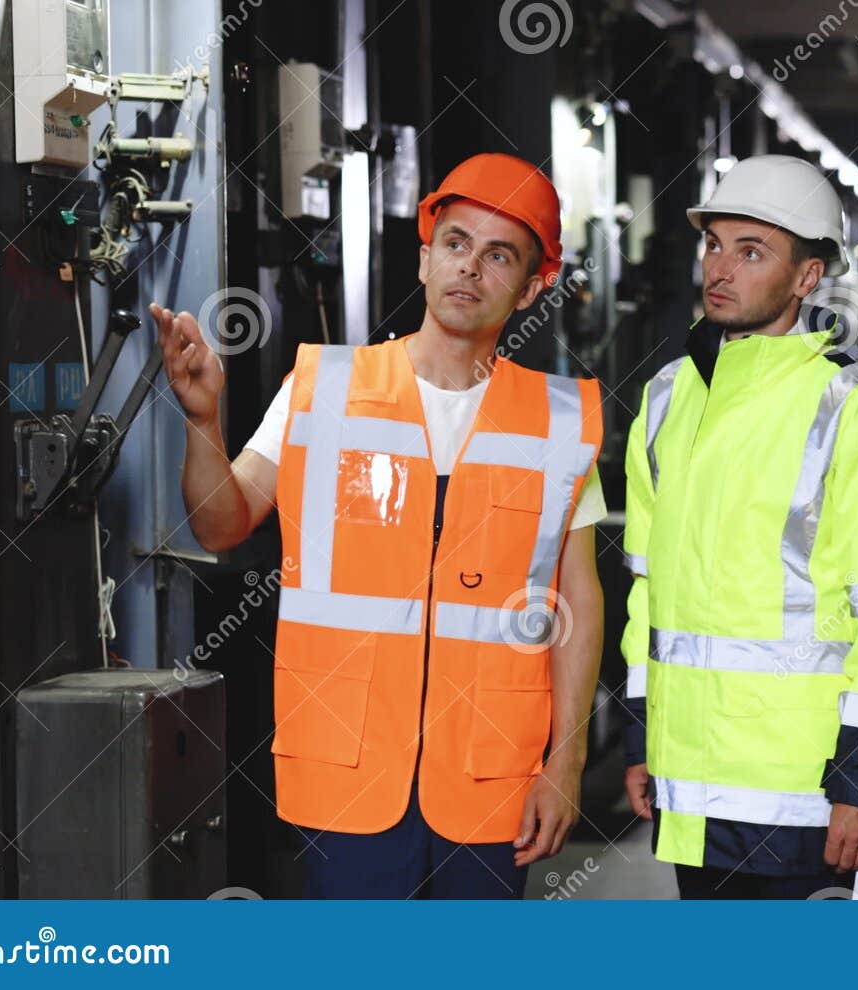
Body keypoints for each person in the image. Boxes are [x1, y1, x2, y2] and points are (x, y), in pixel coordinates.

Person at [154, 153, 605, 899]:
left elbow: (578, 601)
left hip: (489, 772)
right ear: (425, 259)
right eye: (457, 244)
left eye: (500, 256)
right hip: (349, 765)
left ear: (531, 288)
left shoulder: (559, 422)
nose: (470, 269)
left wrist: (566, 762)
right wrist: (204, 421)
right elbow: (220, 525)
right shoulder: (325, 389)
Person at [621, 155, 858, 899]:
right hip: (694, 790)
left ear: (807, 278)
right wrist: (644, 735)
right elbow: (650, 593)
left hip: (803, 802)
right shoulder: (668, 399)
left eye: (751, 251)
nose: (721, 269)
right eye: (714, 245)